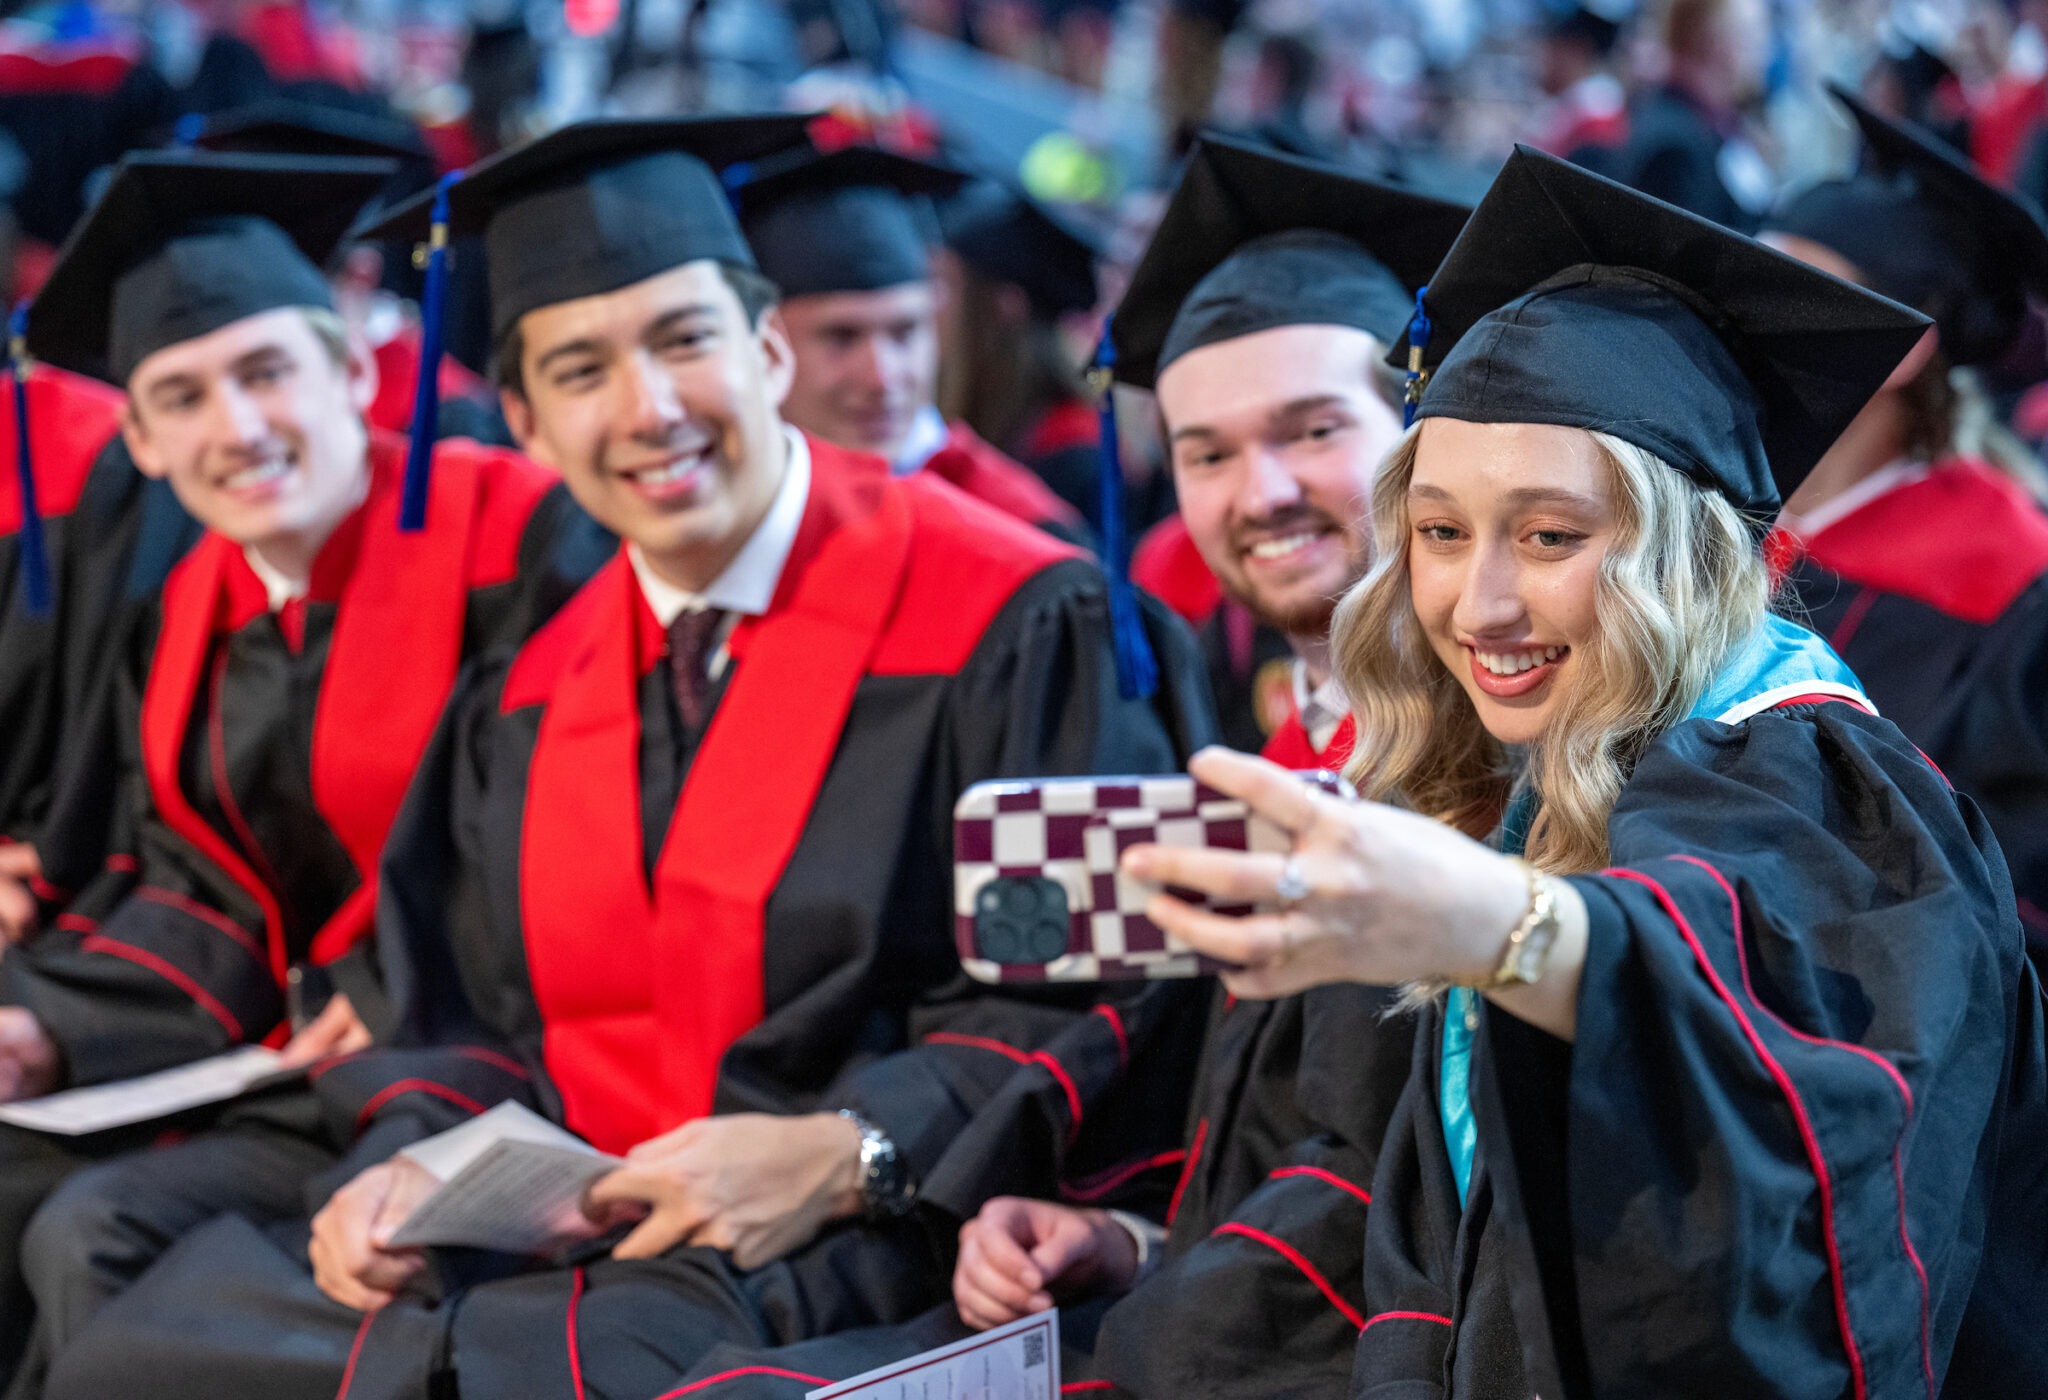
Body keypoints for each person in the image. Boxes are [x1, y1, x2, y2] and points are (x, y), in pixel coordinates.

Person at [38, 116, 1214, 1400]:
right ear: (528, 423)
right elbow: (463, 1001)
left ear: (766, 350)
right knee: (138, 1345)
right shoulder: (532, 683)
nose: (649, 408)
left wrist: (849, 1146)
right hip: (585, 1212)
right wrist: (418, 1157)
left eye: (683, 339)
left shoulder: (1019, 616)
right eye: (583, 368)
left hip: (871, 1230)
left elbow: (1111, 996)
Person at [1128, 147, 2046, 1395]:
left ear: (1687, 551)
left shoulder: (1806, 769)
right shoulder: (1536, 760)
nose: (1479, 602)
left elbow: (1761, 1032)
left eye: (1552, 535)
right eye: (1439, 532)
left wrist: (1497, 923)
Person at [644, 133, 1471, 1400]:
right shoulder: (1262, 747)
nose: (1259, 492)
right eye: (1202, 452)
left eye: (1311, 430)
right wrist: (1111, 1237)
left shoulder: (1494, 767)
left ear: (1418, 431)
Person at [0, 147, 608, 1396]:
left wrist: (387, 983)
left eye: (268, 369)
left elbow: (556, 841)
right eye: (184, 395)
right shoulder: (190, 606)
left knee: (90, 1232)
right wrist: (45, 1031)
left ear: (348, 365)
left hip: (490, 1057)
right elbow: (196, 876)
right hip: (308, 1060)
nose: (238, 426)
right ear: (142, 437)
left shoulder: (526, 538)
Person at [1761, 89, 2048, 968]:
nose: (1743, 310)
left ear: (1907, 348)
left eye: (1793, 287)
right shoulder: (1697, 516)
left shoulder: (2008, 584)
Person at [733, 141, 1088, 542]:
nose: (882, 378)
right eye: (841, 336)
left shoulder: (1022, 533)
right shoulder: (716, 512)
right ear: (764, 346)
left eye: (905, 333)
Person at [934, 179, 1102, 532]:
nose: (932, 308)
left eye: (946, 287)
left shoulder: (1074, 456)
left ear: (1005, 306)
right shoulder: (999, 426)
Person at [1584, 0, 1772, 229]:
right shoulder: (1674, 148)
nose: (1764, 55)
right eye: (1751, 38)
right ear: (1717, 42)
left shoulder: (1706, 127)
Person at [1528, 2, 1630, 159]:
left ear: (1577, 50)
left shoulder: (1599, 117)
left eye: (1552, 48)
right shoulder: (1569, 103)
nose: (1542, 60)